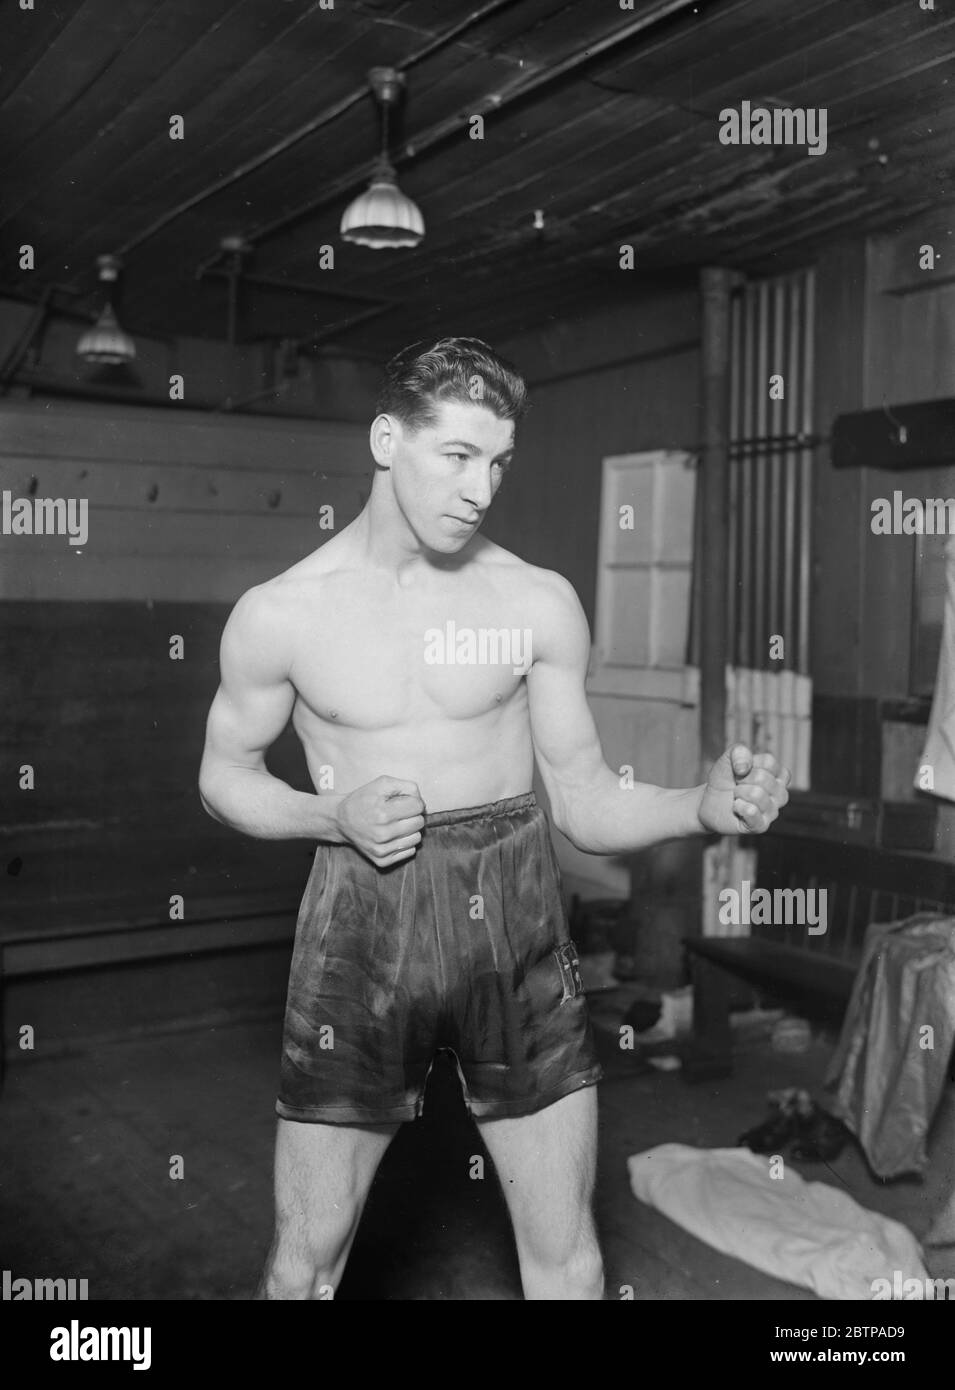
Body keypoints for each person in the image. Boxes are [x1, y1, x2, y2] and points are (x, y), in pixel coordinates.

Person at [198, 336, 790, 1301]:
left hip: (514, 915)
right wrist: (328, 813)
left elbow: (588, 801)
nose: (481, 488)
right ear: (388, 440)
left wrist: (699, 803)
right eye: (457, 456)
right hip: (361, 920)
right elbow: (224, 776)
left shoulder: (536, 602)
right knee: (304, 1263)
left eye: (499, 462)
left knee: (566, 1259)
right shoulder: (281, 614)